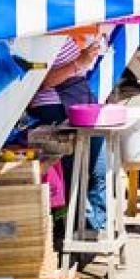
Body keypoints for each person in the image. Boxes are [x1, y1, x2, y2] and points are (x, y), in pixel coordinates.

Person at [25, 28, 111, 231]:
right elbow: (43, 80)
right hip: (55, 108)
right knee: (77, 170)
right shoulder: (38, 37)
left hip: (81, 101)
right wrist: (78, 63)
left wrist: (88, 55)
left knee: (99, 166)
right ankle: (81, 226)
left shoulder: (65, 33)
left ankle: (98, 226)